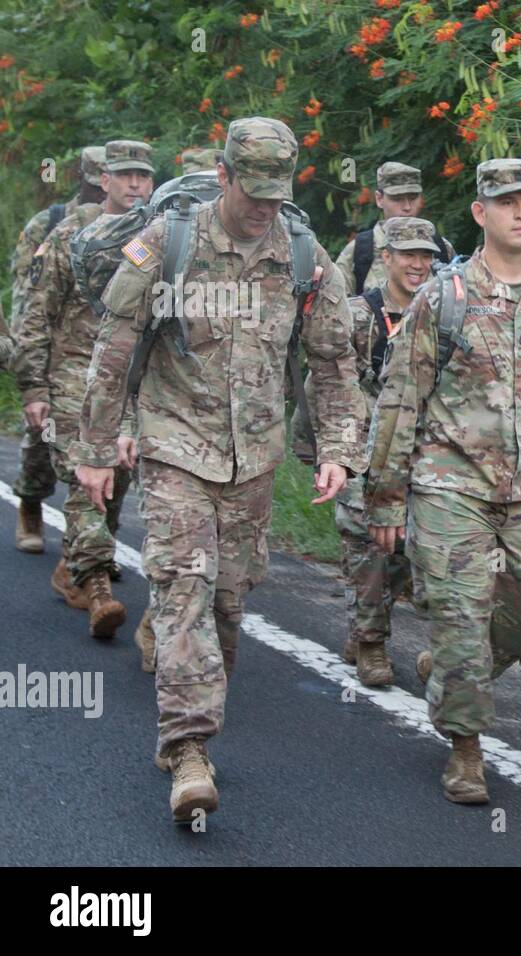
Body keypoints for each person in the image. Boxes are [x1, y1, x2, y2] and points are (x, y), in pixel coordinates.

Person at [71, 117, 368, 822]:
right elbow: (114, 344)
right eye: (251, 190)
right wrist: (93, 447)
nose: (263, 205)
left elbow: (331, 359)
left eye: (276, 192)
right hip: (175, 444)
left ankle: (185, 684)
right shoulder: (168, 243)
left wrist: (337, 447)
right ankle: (190, 749)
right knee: (187, 588)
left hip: (255, 459)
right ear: (223, 175)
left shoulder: (301, 253)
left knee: (229, 603)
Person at [366, 158, 521, 805]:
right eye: (507, 202)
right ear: (481, 213)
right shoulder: (443, 298)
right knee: (461, 611)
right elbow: (400, 399)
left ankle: (455, 668)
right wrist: (388, 495)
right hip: (449, 487)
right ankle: (464, 746)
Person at [14, 140, 154, 636]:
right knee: (84, 472)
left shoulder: (155, 237)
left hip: (131, 382)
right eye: (126, 176)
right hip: (74, 374)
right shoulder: (72, 233)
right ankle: (95, 585)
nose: (136, 184)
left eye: (144, 176)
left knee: (120, 476)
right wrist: (34, 386)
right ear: (105, 180)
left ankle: (76, 561)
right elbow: (36, 312)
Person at [331, 217, 440, 686]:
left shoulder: (445, 311)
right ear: (387, 257)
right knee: (372, 544)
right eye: (408, 254)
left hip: (426, 448)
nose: (418, 264)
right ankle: (372, 643)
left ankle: (370, 624)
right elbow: (332, 386)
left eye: (426, 255)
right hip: (366, 448)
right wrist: (332, 453)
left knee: (421, 551)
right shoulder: (359, 314)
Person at [8, 146, 106, 555]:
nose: (106, 184)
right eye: (99, 176)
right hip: (55, 350)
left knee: (98, 450)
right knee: (40, 439)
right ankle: (30, 503)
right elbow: (27, 296)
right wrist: (28, 363)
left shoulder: (134, 228)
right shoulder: (50, 225)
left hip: (102, 359)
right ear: (83, 176)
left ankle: (87, 552)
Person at [335, 162, 452, 294]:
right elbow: (339, 307)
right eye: (397, 199)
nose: (407, 207)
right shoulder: (358, 251)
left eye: (413, 198)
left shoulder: (441, 248)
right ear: (379, 199)